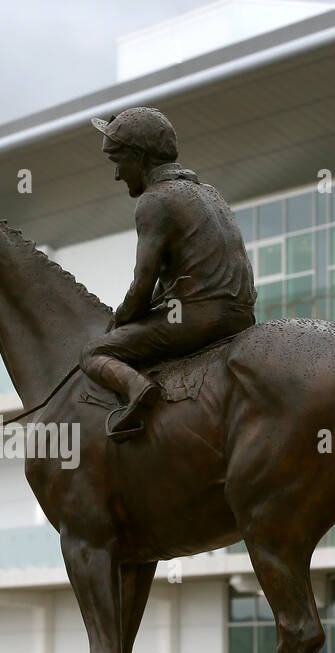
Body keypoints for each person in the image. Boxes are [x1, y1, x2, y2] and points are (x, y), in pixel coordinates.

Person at [82, 107, 258, 441]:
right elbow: (175, 276)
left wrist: (120, 320)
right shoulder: (209, 193)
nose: (118, 175)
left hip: (200, 319)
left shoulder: (154, 201)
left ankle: (139, 391)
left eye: (118, 161)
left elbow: (142, 286)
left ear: (139, 156)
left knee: (94, 352)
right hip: (241, 316)